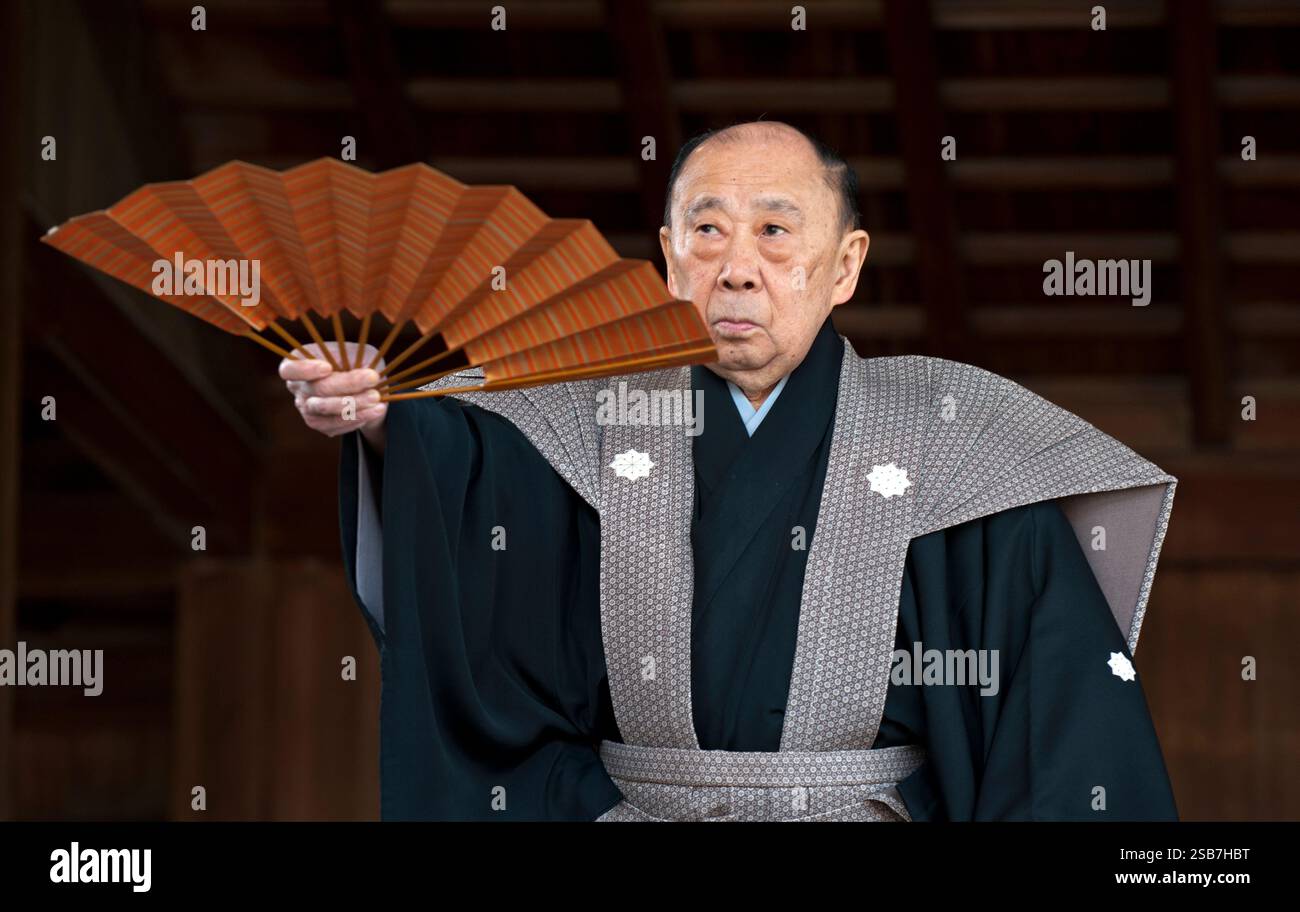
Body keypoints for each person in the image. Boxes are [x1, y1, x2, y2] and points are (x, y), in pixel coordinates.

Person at [280, 121, 1179, 821]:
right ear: (669, 260)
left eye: (776, 232)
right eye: (706, 231)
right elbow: (472, 485)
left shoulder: (957, 435)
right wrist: (385, 420)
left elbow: (1057, 717)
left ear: (846, 266)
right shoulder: (585, 413)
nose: (737, 268)